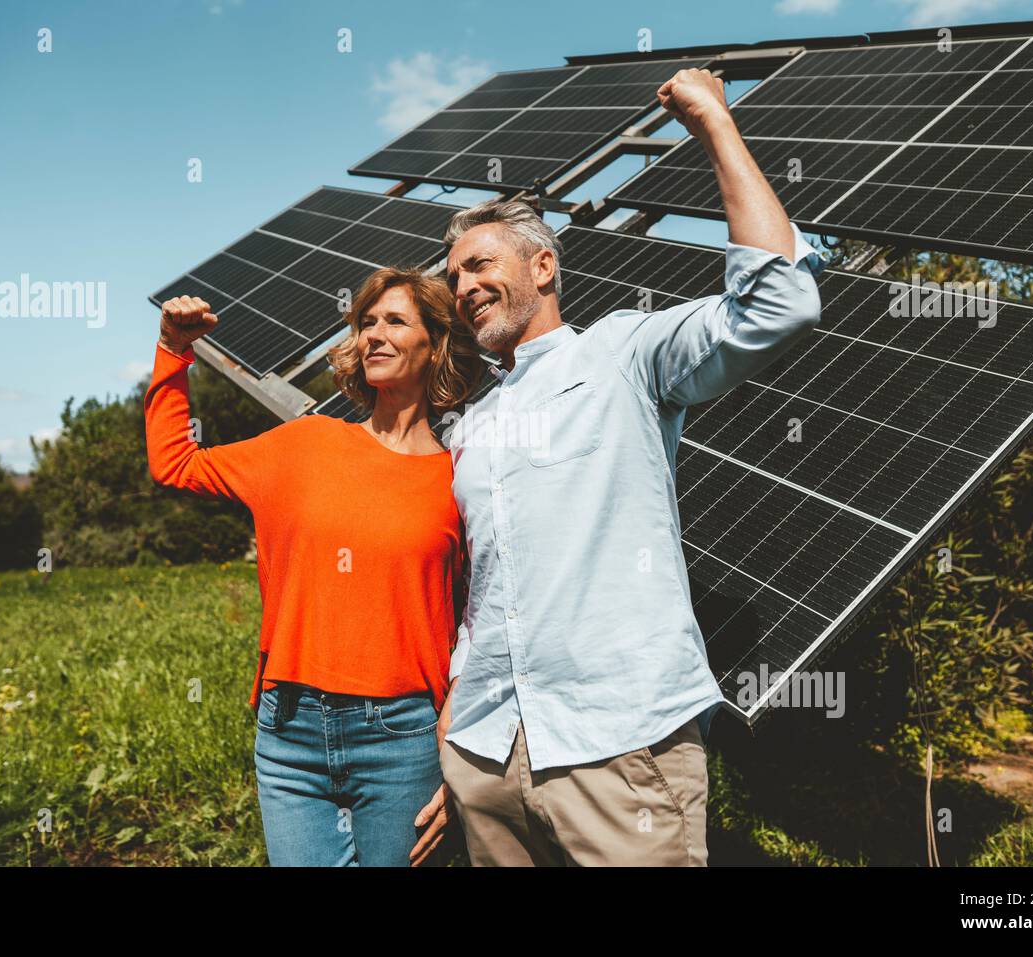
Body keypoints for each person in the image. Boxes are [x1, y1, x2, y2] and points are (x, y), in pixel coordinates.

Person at [433, 67, 826, 865]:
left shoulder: (623, 352)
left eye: (480, 265)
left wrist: (713, 121)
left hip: (615, 750)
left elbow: (782, 305)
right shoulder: (470, 424)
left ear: (543, 267)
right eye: (454, 277)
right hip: (484, 752)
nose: (464, 286)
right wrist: (453, 724)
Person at [145, 267, 484, 866]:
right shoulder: (303, 444)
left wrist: (463, 755)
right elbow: (175, 462)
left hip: (403, 739)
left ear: (436, 347)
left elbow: (479, 620)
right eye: (366, 323)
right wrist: (175, 350)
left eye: (396, 322)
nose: (373, 334)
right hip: (289, 732)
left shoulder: (461, 477)